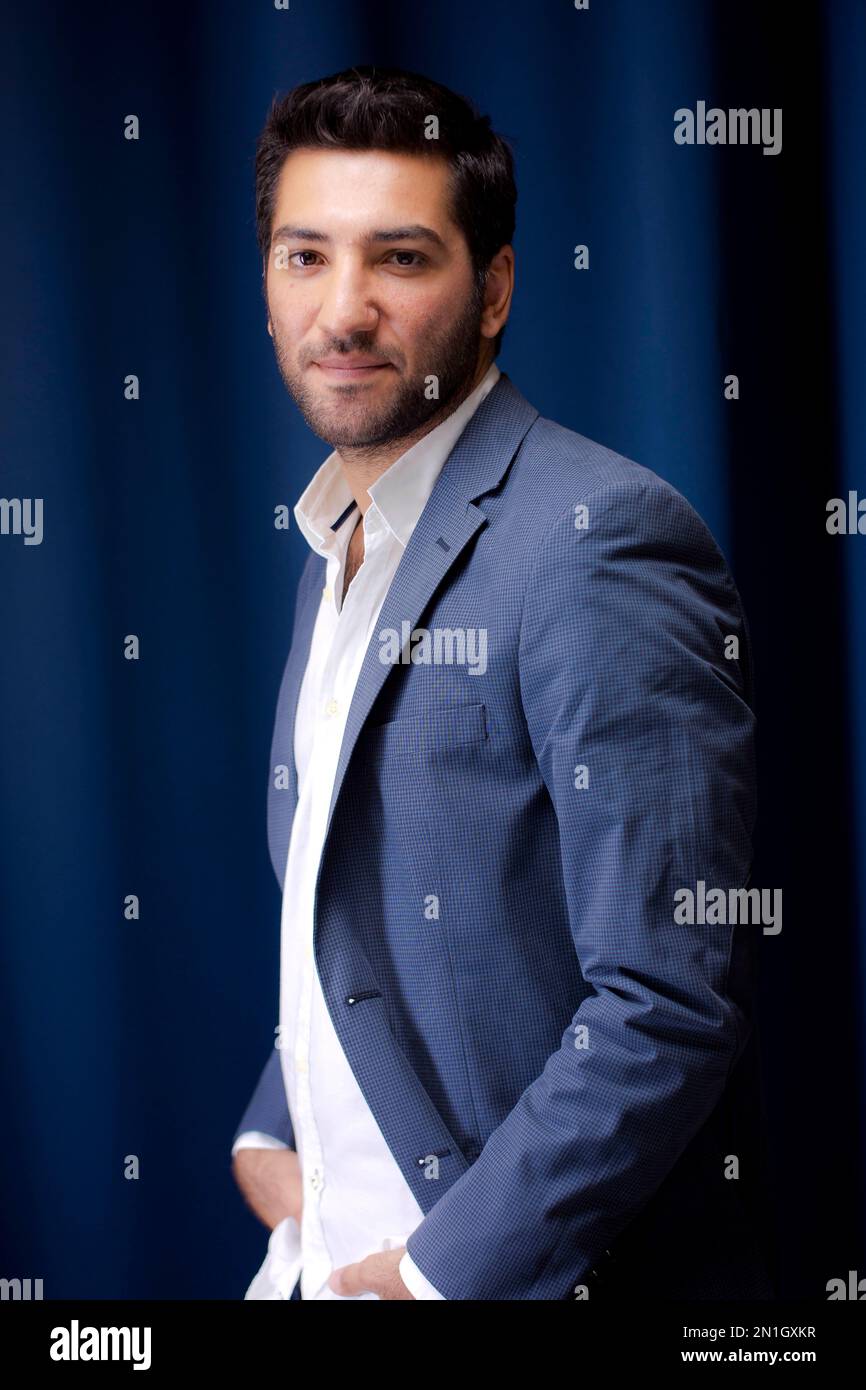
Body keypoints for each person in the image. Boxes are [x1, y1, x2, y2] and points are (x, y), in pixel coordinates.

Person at [230, 64, 774, 1301]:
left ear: (496, 291)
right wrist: (275, 1127)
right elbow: (351, 890)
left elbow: (669, 997)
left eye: (402, 258)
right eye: (304, 256)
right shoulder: (331, 546)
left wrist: (428, 1274)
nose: (345, 310)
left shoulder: (597, 537)